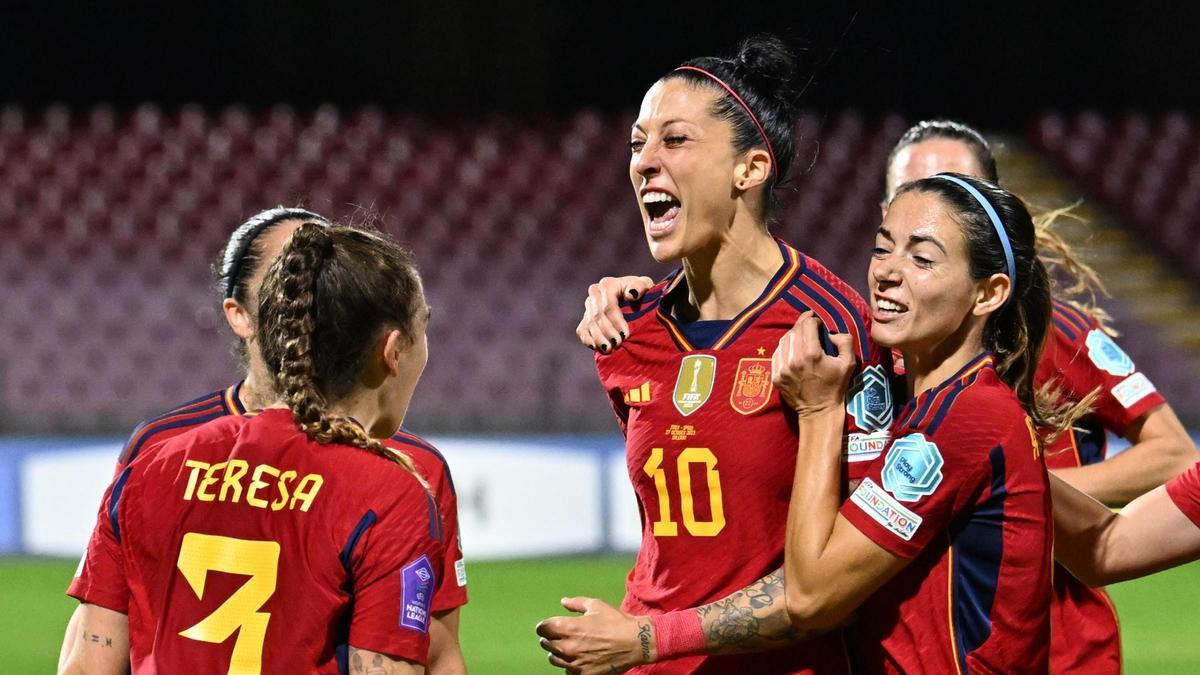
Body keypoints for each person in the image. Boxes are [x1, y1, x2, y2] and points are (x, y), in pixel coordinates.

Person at [580, 118, 1196, 674]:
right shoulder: (899, 383)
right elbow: (1101, 543)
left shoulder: (967, 412)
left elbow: (812, 596)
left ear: (989, 287)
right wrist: (652, 301)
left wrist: (819, 412)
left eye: (922, 256)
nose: (888, 271)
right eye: (882, 247)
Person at [538, 36, 893, 674]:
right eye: (637, 144)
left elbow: (848, 575)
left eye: (674, 140)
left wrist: (650, 638)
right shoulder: (628, 332)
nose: (644, 162)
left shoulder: (832, 328)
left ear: (750, 169)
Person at [58, 219, 464, 673]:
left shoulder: (155, 466)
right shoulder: (391, 492)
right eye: (423, 328)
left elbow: (87, 665)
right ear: (392, 350)